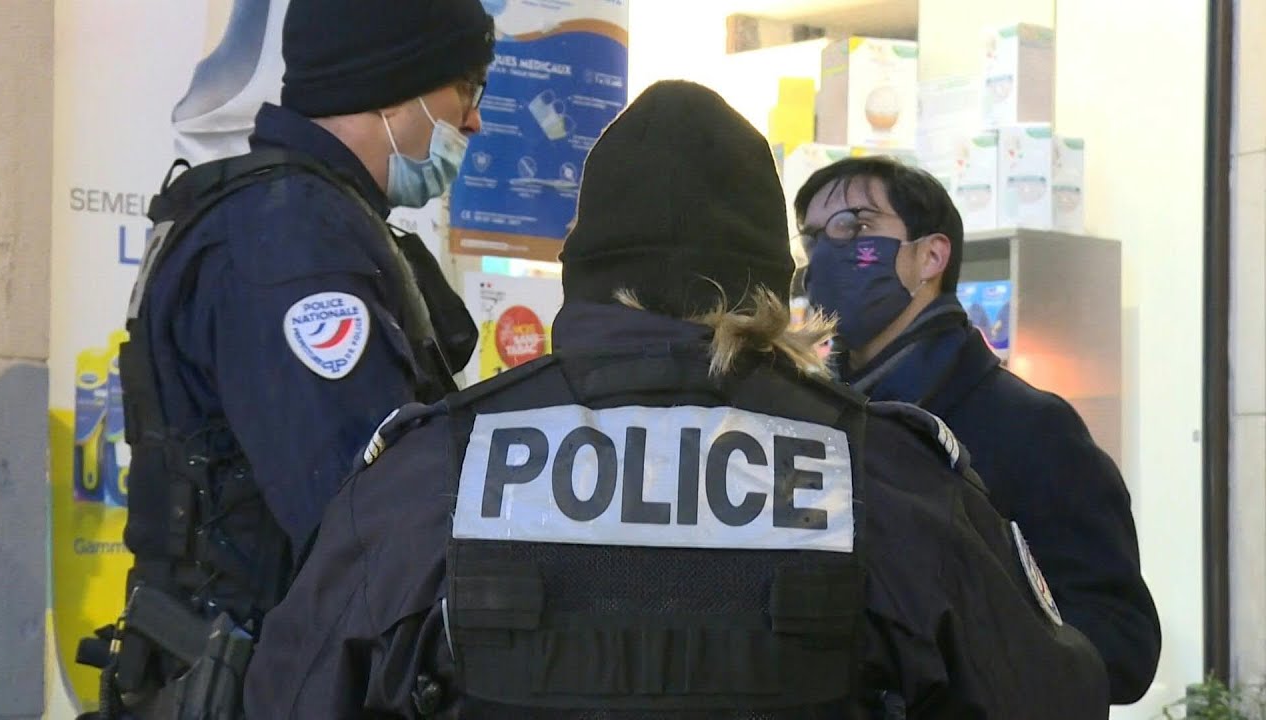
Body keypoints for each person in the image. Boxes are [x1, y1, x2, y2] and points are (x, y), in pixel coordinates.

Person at [244, 80, 1110, 719]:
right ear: (767, 282)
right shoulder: (885, 478)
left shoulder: (433, 471)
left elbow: (289, 692)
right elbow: (1050, 697)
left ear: (582, 273)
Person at [78, 0, 496, 715]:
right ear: (394, 87)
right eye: (466, 89)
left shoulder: (289, 218)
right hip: (259, 685)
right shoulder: (295, 243)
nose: (475, 120)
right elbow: (366, 526)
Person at [795, 155, 1161, 704]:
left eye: (855, 226)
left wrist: (956, 652)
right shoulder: (815, 421)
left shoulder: (1031, 427)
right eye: (813, 237)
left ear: (931, 256)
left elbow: (1122, 643)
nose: (827, 251)